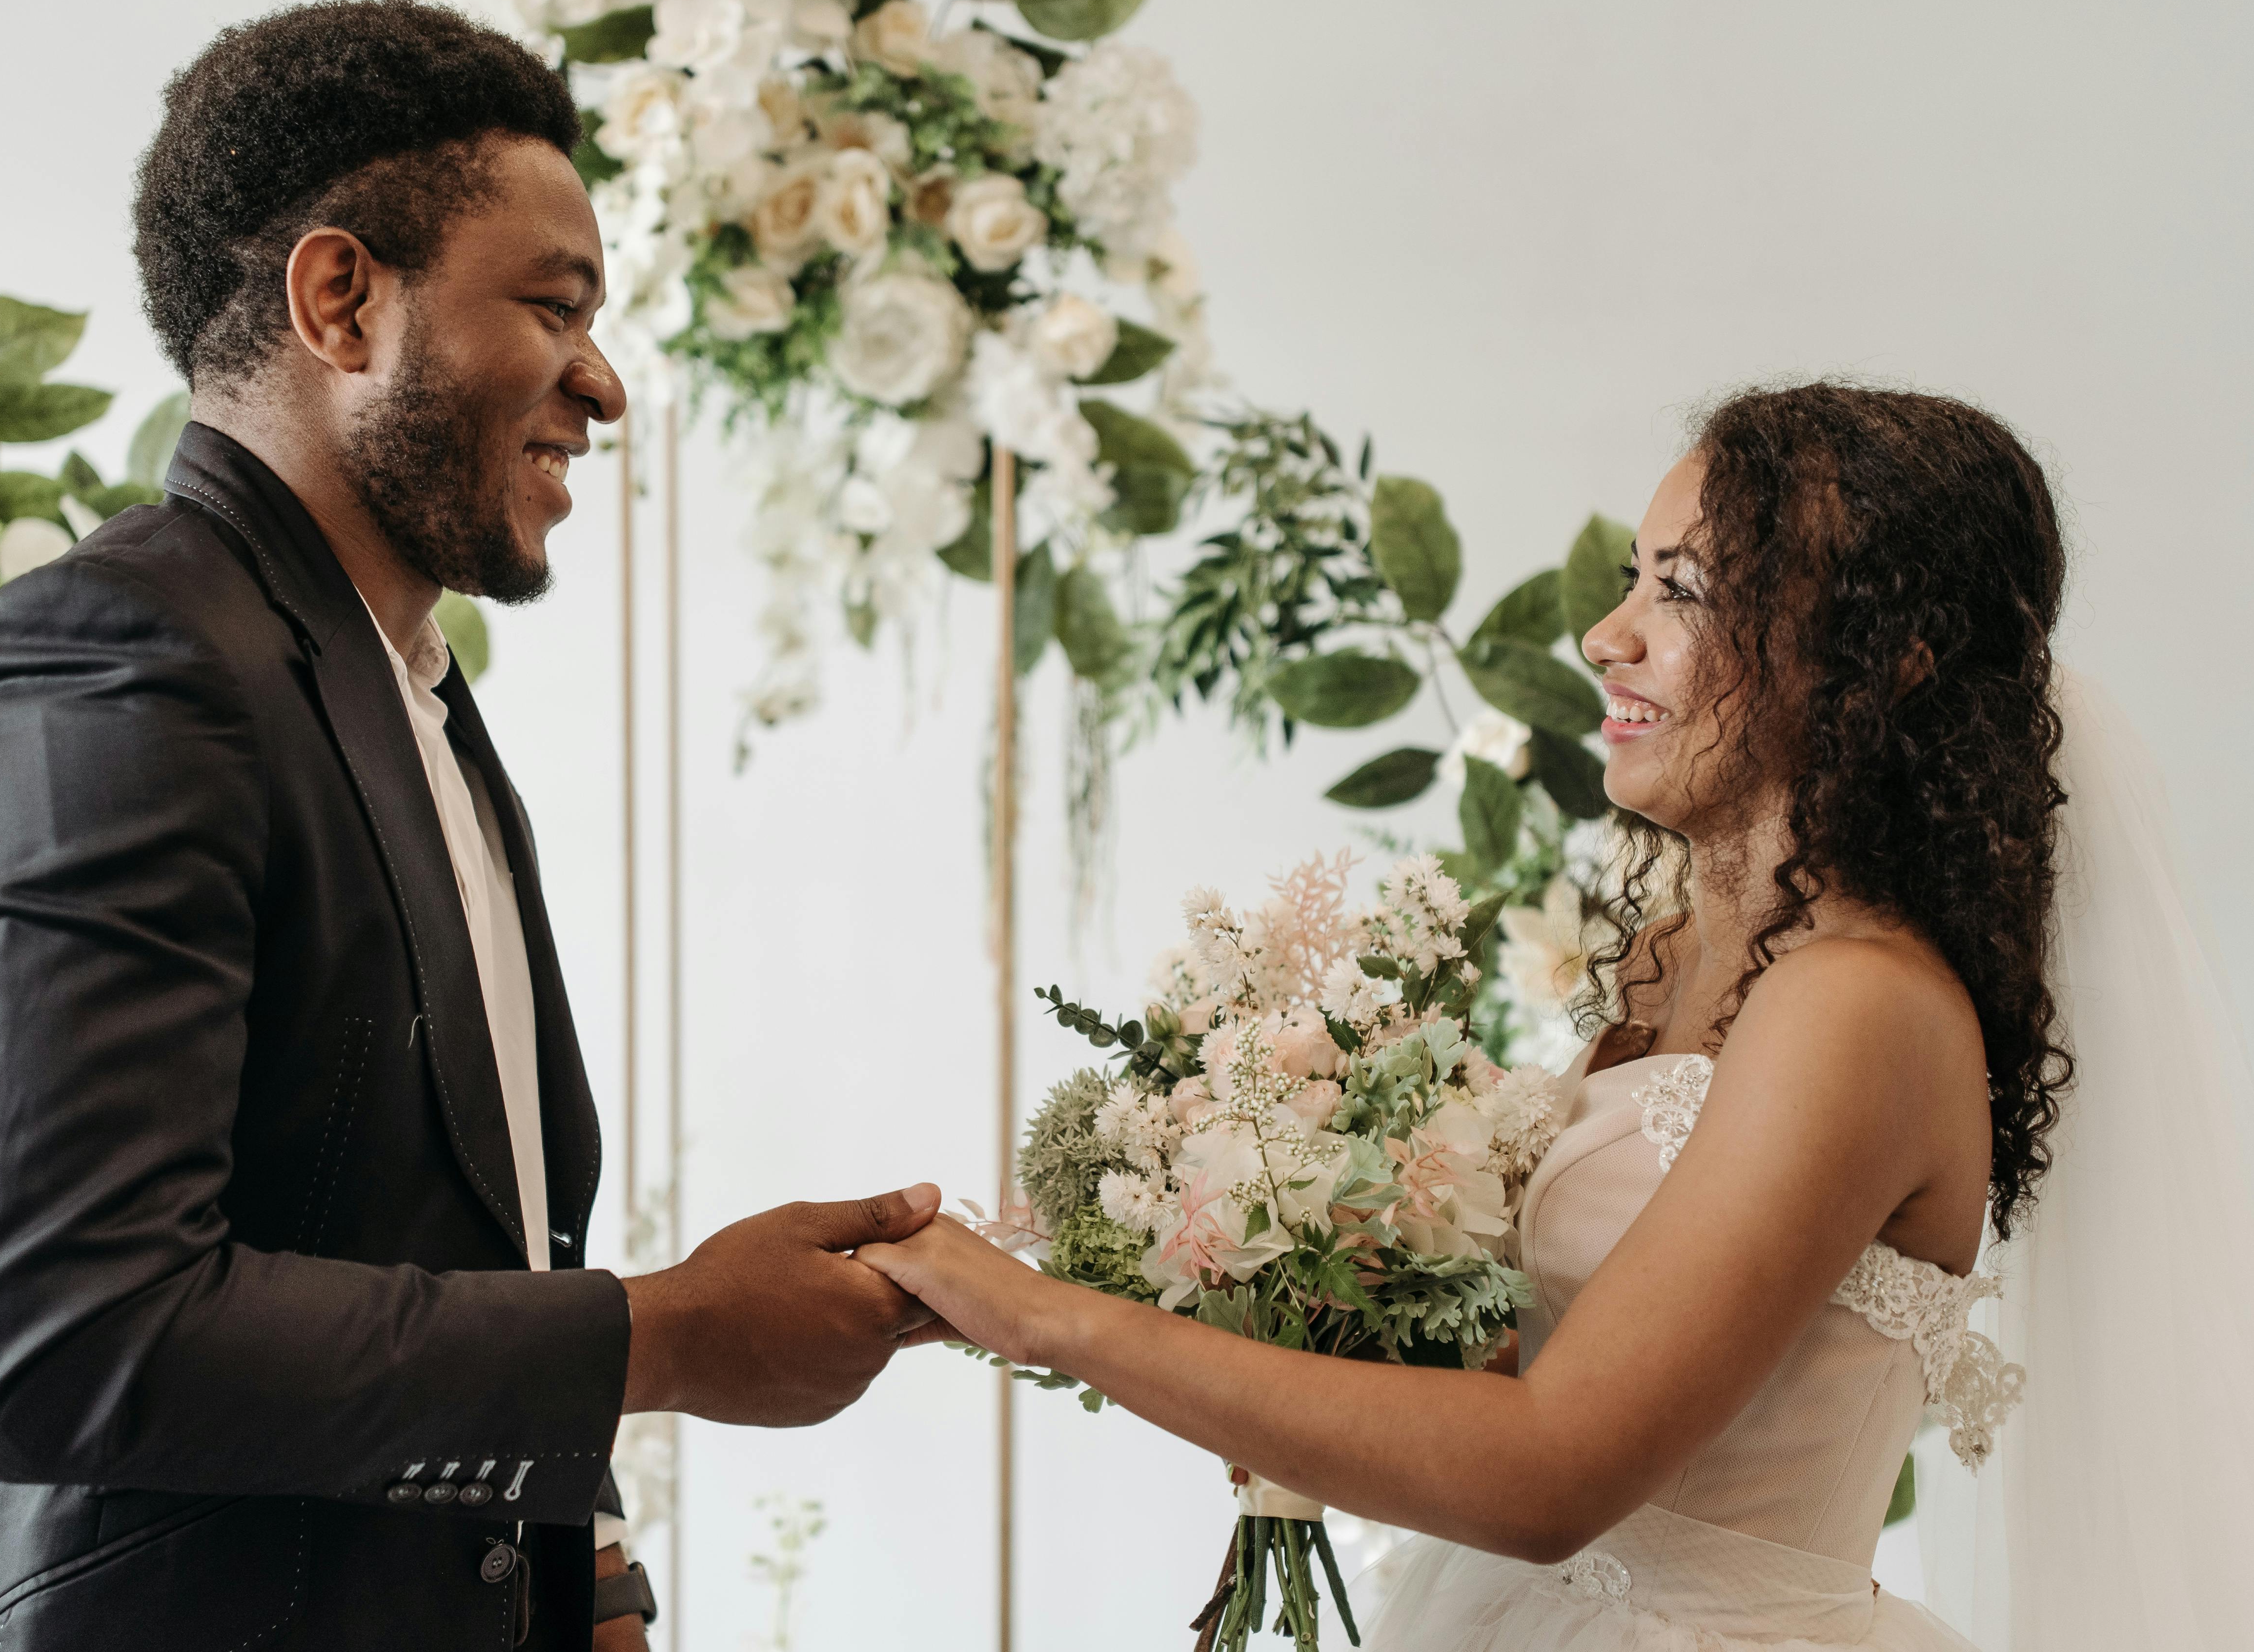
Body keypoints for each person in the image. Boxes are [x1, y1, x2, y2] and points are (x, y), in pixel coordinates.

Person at [0, 0, 941, 1652]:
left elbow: (455, 1230)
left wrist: (584, 1571)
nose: (604, 383)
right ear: (340, 299)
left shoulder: (416, 693)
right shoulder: (115, 655)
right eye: (555, 304)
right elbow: (62, 1337)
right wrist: (656, 1339)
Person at [859, 383, 2227, 1649]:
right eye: (1636, 576)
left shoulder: (1861, 1009)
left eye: (1683, 591)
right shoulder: (1674, 955)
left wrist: (1045, 1318)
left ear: (1886, 663)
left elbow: (1556, 1467)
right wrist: (1283, 1282)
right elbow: (1534, 1351)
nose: (1605, 634)